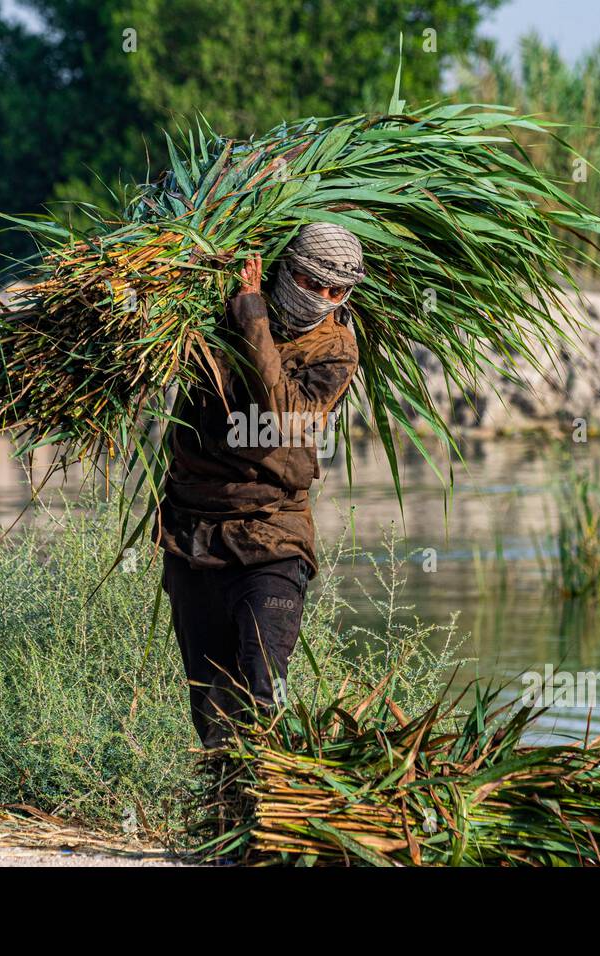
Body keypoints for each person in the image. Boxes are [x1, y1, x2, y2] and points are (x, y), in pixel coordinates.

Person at [155, 223, 365, 748]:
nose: (319, 298)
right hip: (194, 532)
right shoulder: (208, 315)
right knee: (211, 707)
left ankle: (275, 809)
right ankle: (229, 820)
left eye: (334, 291)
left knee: (264, 690)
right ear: (280, 267)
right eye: (307, 281)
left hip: (272, 537)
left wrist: (253, 319)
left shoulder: (335, 349)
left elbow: (282, 419)